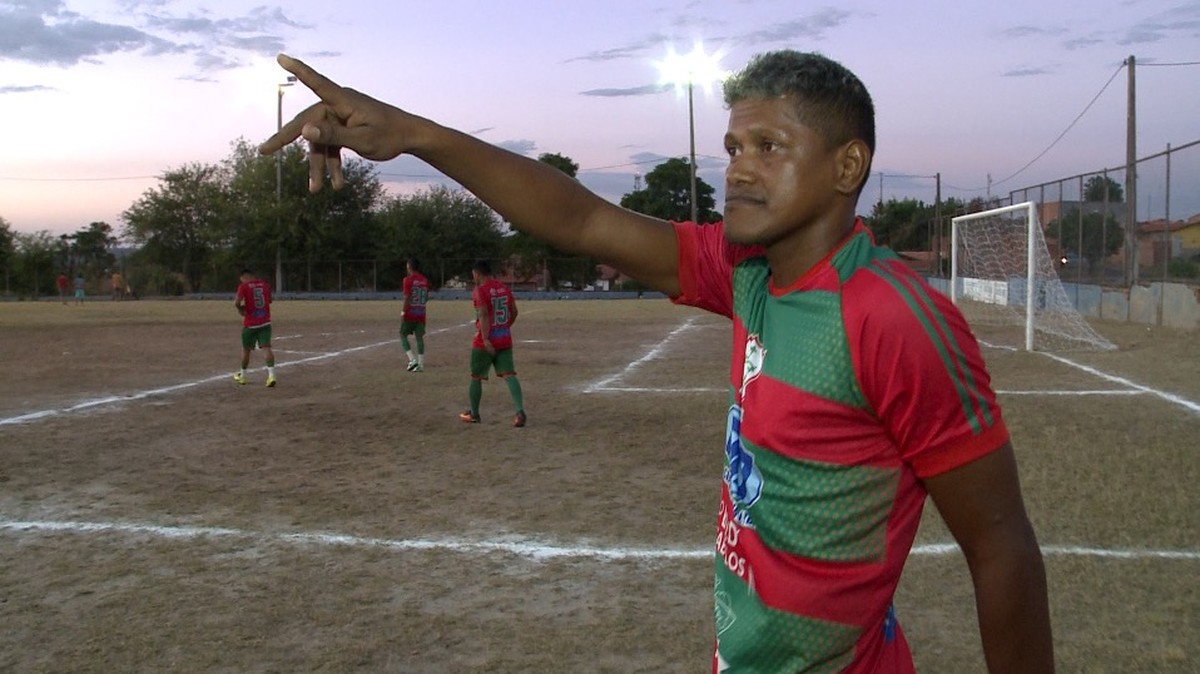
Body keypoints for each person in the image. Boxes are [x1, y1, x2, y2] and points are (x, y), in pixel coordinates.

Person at [261, 50, 1053, 672]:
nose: (737, 168)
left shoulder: (893, 317)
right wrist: (410, 134)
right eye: (733, 146)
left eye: (769, 146)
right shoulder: (746, 270)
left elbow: (1001, 545)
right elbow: (579, 218)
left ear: (847, 167)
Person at [459, 259, 526, 427]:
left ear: (477, 273)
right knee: (509, 375)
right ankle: (519, 411)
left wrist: (486, 338)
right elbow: (515, 312)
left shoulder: (480, 291)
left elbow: (483, 315)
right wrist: (504, 326)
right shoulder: (504, 288)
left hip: (485, 341)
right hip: (504, 338)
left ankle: (474, 414)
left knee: (476, 376)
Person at [233, 268, 278, 387]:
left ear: (244, 277)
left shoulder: (244, 286)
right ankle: (271, 375)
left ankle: (242, 375)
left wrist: (241, 309)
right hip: (265, 322)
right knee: (266, 348)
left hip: (250, 324)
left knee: (246, 350)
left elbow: (237, 302)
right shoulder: (264, 284)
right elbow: (269, 301)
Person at [400, 257, 429, 372]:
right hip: (421, 312)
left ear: (409, 267)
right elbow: (426, 297)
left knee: (403, 335)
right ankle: (421, 364)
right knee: (419, 338)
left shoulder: (407, 280)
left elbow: (407, 297)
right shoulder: (424, 280)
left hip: (410, 312)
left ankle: (412, 360)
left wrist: (403, 312)